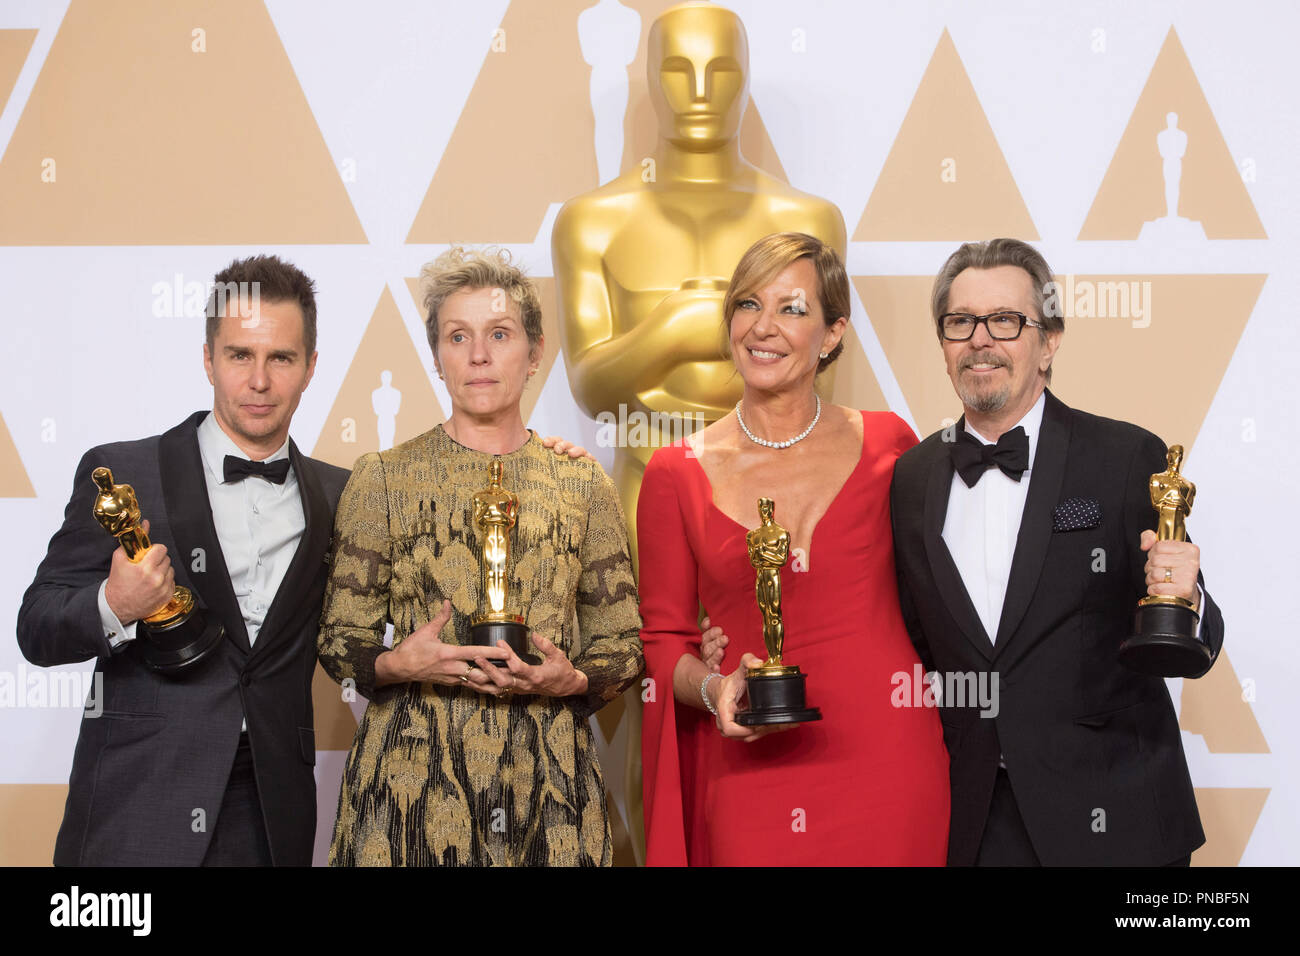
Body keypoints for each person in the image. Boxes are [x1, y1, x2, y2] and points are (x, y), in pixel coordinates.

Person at [889, 237, 1224, 865]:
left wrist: (1190, 599)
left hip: (1118, 820)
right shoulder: (910, 478)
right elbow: (920, 643)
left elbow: (1191, 646)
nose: (981, 340)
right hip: (977, 822)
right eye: (961, 322)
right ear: (943, 342)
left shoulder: (1127, 460)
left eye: (1007, 321)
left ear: (1050, 342)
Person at [17, 255, 350, 865]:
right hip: (138, 802)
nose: (259, 381)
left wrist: (544, 454)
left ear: (309, 368)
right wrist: (115, 604)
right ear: (207, 359)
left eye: (281, 358)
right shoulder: (124, 473)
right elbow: (36, 627)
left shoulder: (342, 495)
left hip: (271, 814)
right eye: (238, 355)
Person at [317, 246, 643, 866]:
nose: (479, 356)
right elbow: (339, 638)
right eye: (457, 337)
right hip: (408, 782)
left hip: (551, 786)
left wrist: (571, 679)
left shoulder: (582, 484)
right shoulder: (383, 477)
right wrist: (394, 664)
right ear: (436, 357)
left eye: (499, 334)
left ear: (536, 350)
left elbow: (622, 644)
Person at [637, 232, 950, 865]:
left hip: (887, 759)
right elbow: (662, 641)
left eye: (792, 308)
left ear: (833, 333)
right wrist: (714, 687)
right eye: (748, 304)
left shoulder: (892, 445)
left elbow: (948, 591)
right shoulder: (674, 472)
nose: (764, 327)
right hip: (750, 763)